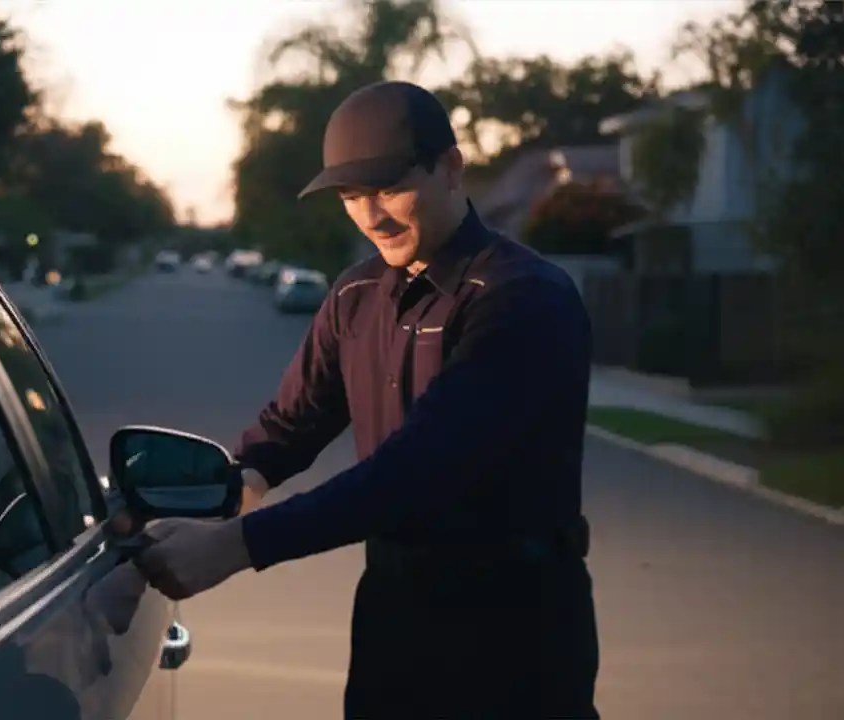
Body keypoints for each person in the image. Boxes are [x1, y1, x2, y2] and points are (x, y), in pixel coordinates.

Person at [135, 80, 600, 719]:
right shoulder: (355, 296)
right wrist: (224, 491)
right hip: (393, 620)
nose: (371, 215)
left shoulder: (520, 298)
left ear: (451, 167)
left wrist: (239, 545)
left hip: (514, 630)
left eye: (387, 189)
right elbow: (292, 422)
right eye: (352, 196)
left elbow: (418, 471)